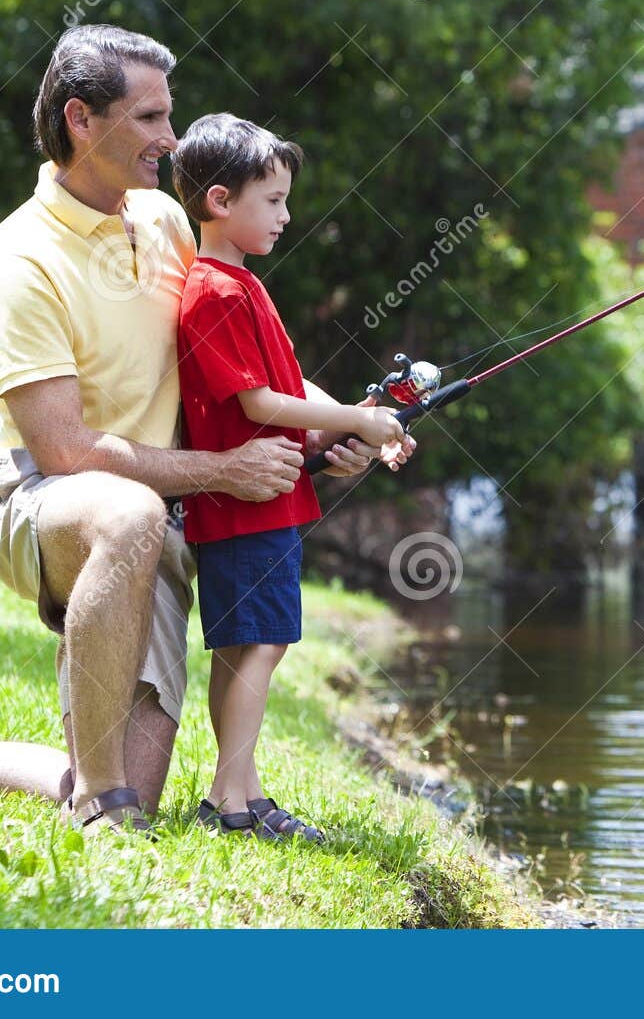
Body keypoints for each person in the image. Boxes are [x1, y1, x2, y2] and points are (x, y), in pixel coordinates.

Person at [0, 26, 414, 833]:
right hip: (44, 497)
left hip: (162, 502)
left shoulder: (165, 222)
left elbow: (247, 377)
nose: (170, 140)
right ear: (81, 119)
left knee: (148, 778)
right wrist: (223, 471)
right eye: (149, 118)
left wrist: (341, 429)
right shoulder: (20, 259)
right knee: (127, 514)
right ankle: (101, 811)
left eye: (167, 117)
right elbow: (66, 449)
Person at [172, 113, 406, 841]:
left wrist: (353, 417)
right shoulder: (217, 290)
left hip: (262, 499)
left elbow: (288, 380)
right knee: (261, 644)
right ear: (219, 200)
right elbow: (260, 401)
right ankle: (228, 799)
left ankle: (242, 789)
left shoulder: (240, 283)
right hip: (248, 503)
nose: (286, 214)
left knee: (246, 642)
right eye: (271, 200)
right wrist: (356, 423)